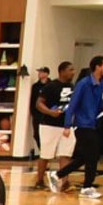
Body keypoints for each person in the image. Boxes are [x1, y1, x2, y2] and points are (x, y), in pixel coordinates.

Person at [58, 57, 103, 198]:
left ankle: (59, 174)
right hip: (83, 125)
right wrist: (67, 125)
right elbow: (72, 105)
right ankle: (87, 186)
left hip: (94, 124)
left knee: (85, 157)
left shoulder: (101, 84)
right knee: (92, 156)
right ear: (97, 67)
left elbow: (99, 104)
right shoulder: (83, 84)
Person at [36, 60, 77, 189]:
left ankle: (64, 181)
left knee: (65, 154)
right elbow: (39, 103)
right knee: (46, 155)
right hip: (49, 125)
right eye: (70, 69)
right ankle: (39, 180)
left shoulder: (73, 87)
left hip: (66, 126)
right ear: (62, 71)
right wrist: (50, 112)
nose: (73, 72)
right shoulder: (51, 86)